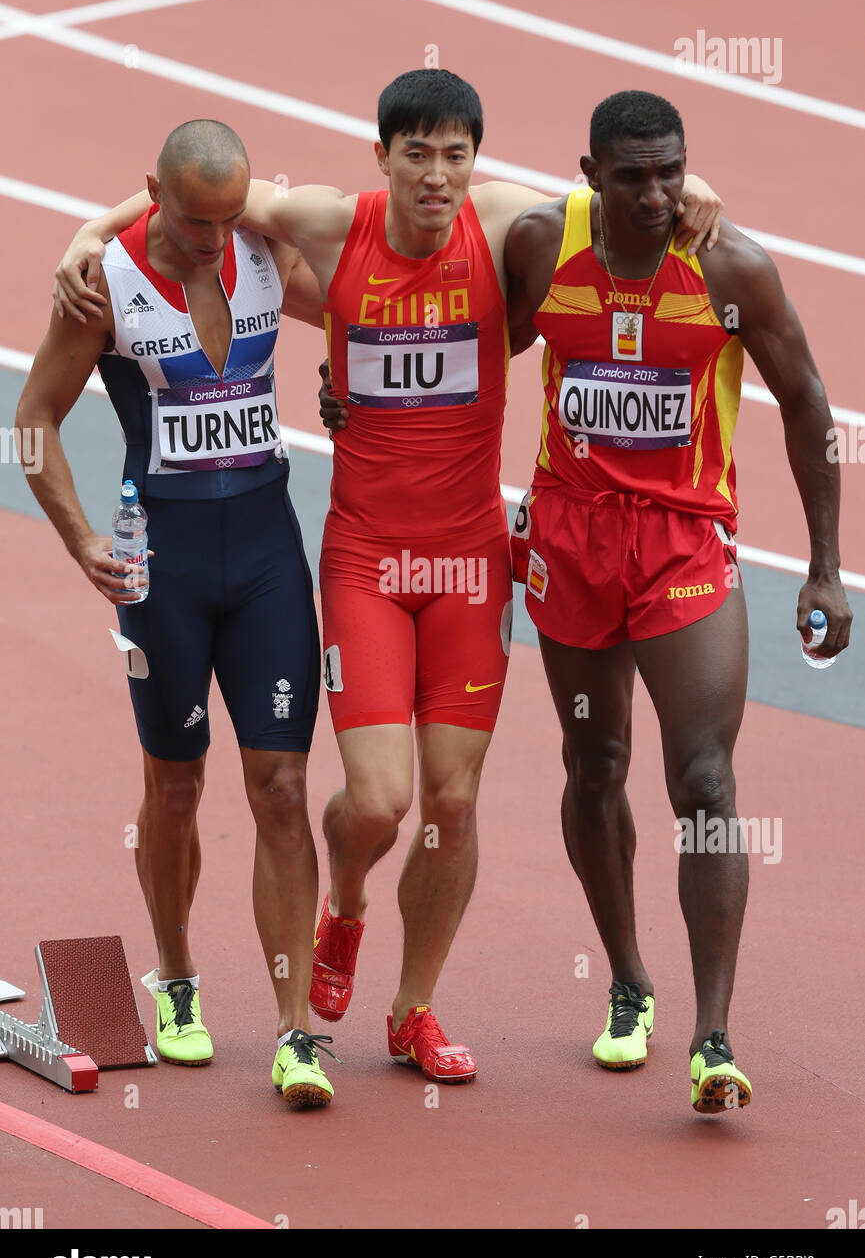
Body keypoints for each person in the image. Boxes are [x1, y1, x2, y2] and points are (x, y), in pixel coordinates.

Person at [53, 71, 722, 1086]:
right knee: (375, 801)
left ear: (474, 164)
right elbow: (200, 193)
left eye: (456, 155)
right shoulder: (327, 222)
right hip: (364, 558)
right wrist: (88, 231)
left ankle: (412, 1009)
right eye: (419, 154)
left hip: (467, 562)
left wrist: (700, 189)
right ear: (382, 157)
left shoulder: (502, 222)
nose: (437, 176)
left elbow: (639, 193)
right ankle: (345, 905)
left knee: (453, 802)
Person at [503, 89, 852, 1112]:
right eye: (631, 176)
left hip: (683, 544)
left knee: (703, 778)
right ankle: (624, 979)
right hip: (568, 534)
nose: (654, 195)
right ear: (588, 174)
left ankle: (711, 1033)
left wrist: (826, 563)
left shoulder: (727, 266)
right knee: (593, 760)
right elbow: (456, 318)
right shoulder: (537, 245)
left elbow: (808, 403)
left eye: (669, 171)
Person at [17, 119, 341, 1109]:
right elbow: (31, 422)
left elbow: (376, 315)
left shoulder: (262, 245)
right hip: (162, 568)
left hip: (268, 557)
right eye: (194, 221)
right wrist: (81, 545)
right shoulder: (102, 283)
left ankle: (295, 1031)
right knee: (176, 787)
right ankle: (177, 975)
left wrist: (342, 384)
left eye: (226, 218)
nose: (212, 241)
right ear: (152, 191)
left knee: (282, 788)